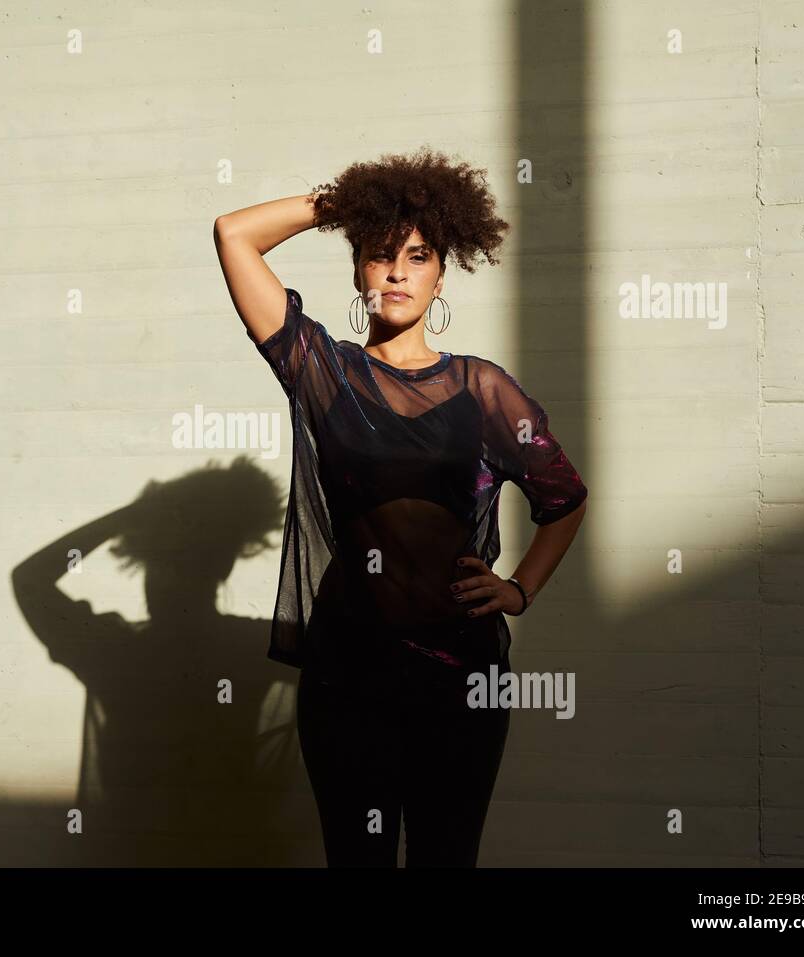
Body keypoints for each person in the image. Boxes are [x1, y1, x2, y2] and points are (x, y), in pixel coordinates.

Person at [212, 147, 589, 867]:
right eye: (380, 254)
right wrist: (350, 203)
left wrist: (520, 590)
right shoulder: (326, 373)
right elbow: (234, 233)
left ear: (443, 272)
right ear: (357, 269)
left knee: (446, 858)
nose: (396, 271)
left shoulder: (483, 388)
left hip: (461, 677)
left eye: (417, 255)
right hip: (347, 678)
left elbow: (564, 498)